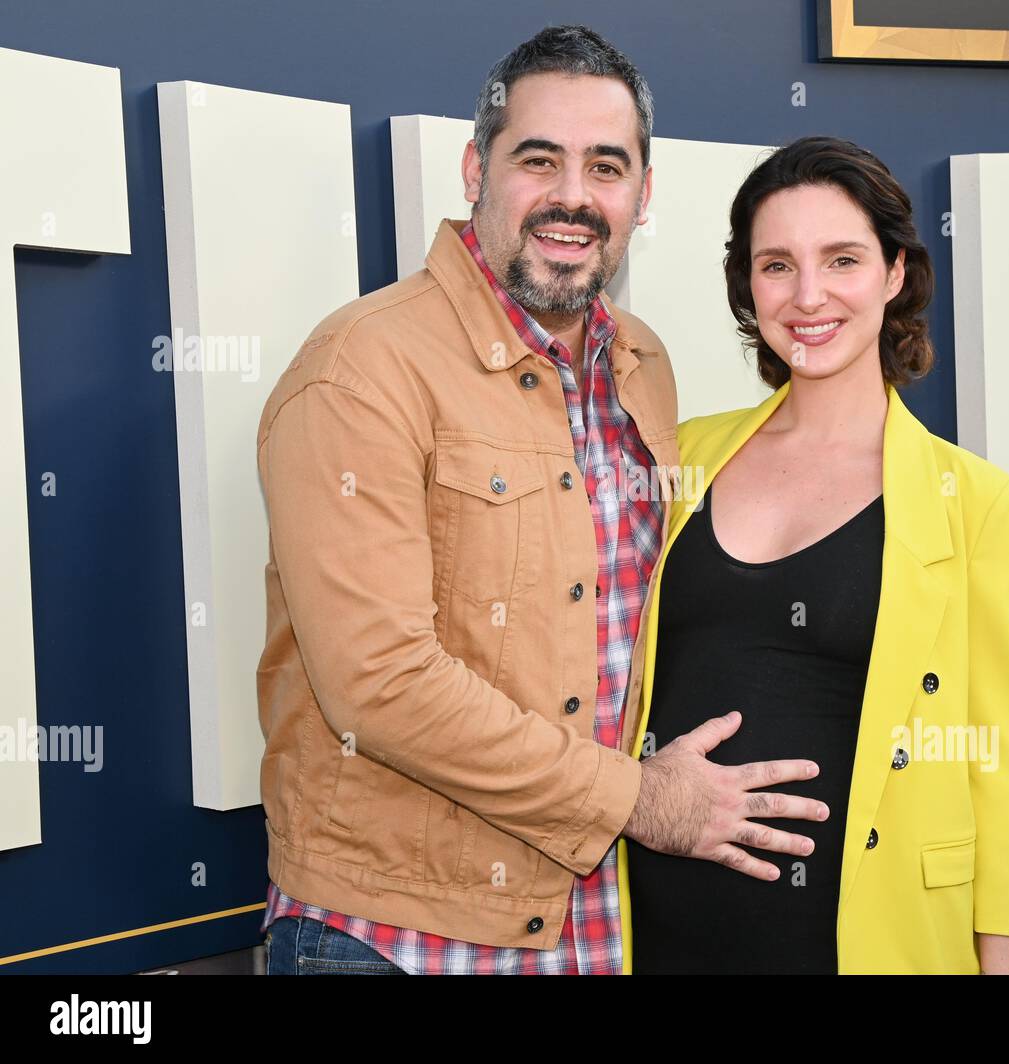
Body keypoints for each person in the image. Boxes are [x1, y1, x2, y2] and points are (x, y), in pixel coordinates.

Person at [256, 25, 824, 976]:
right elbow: (379, 687)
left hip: (593, 925)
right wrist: (644, 800)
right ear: (476, 168)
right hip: (395, 941)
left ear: (643, 195)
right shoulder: (361, 371)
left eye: (606, 166)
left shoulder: (640, 365)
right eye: (538, 159)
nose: (573, 196)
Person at [620, 136, 1009, 974]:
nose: (808, 295)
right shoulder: (677, 461)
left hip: (864, 938)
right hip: (664, 922)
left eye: (842, 259)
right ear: (747, 284)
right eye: (776, 264)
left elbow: (997, 766)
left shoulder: (975, 503)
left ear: (895, 274)